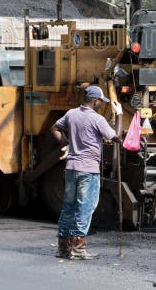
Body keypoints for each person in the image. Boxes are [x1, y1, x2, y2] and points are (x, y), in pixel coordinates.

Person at [51, 85, 122, 260]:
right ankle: (78, 248)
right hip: (88, 170)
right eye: (100, 101)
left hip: (71, 168)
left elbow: (55, 129)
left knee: (68, 207)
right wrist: (119, 115)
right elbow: (117, 137)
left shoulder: (71, 114)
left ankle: (63, 248)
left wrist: (67, 143)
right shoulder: (97, 119)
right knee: (85, 207)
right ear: (95, 101)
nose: (100, 104)